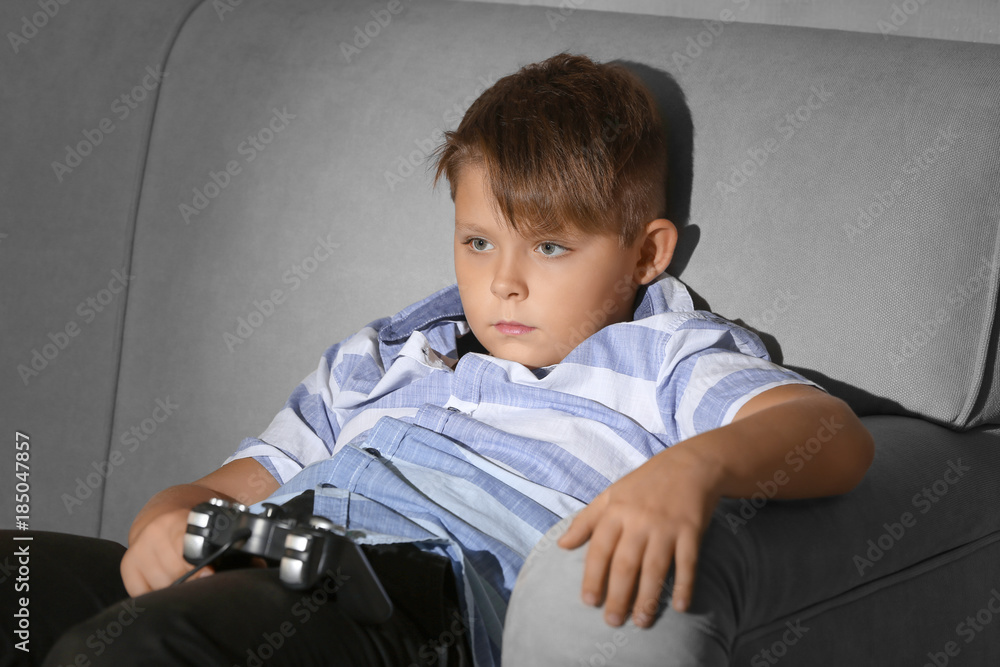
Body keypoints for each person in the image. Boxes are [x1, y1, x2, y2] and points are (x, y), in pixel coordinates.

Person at [3, 52, 874, 667]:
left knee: (125, 651)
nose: (503, 284)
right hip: (254, 563)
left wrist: (692, 471)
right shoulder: (386, 355)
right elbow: (228, 485)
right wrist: (166, 517)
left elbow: (828, 434)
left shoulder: (662, 352)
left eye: (552, 250)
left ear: (645, 255)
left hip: (410, 606)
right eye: (477, 241)